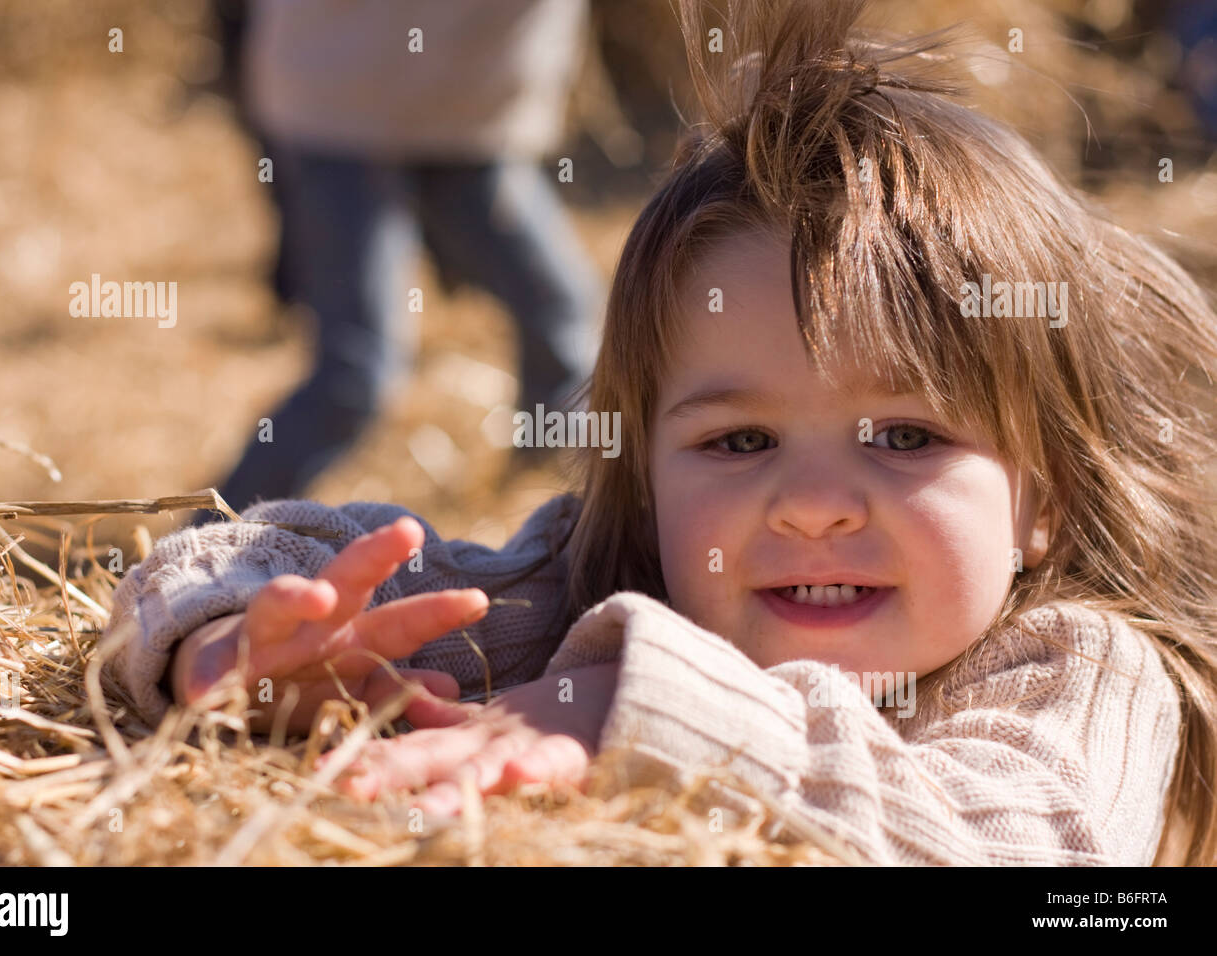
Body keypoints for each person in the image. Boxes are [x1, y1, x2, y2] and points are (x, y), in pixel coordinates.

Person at [101, 0, 1217, 865]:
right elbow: (262, 549)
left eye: (906, 434)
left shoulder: (1080, 665)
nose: (811, 501)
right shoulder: (613, 575)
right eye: (737, 442)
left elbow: (1023, 856)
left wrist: (643, 713)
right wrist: (239, 642)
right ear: (642, 479)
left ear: (1045, 498)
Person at [196, 0, 603, 519]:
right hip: (345, 108)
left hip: (464, 117)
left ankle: (558, 513)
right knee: (356, 372)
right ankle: (209, 534)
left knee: (561, 317)